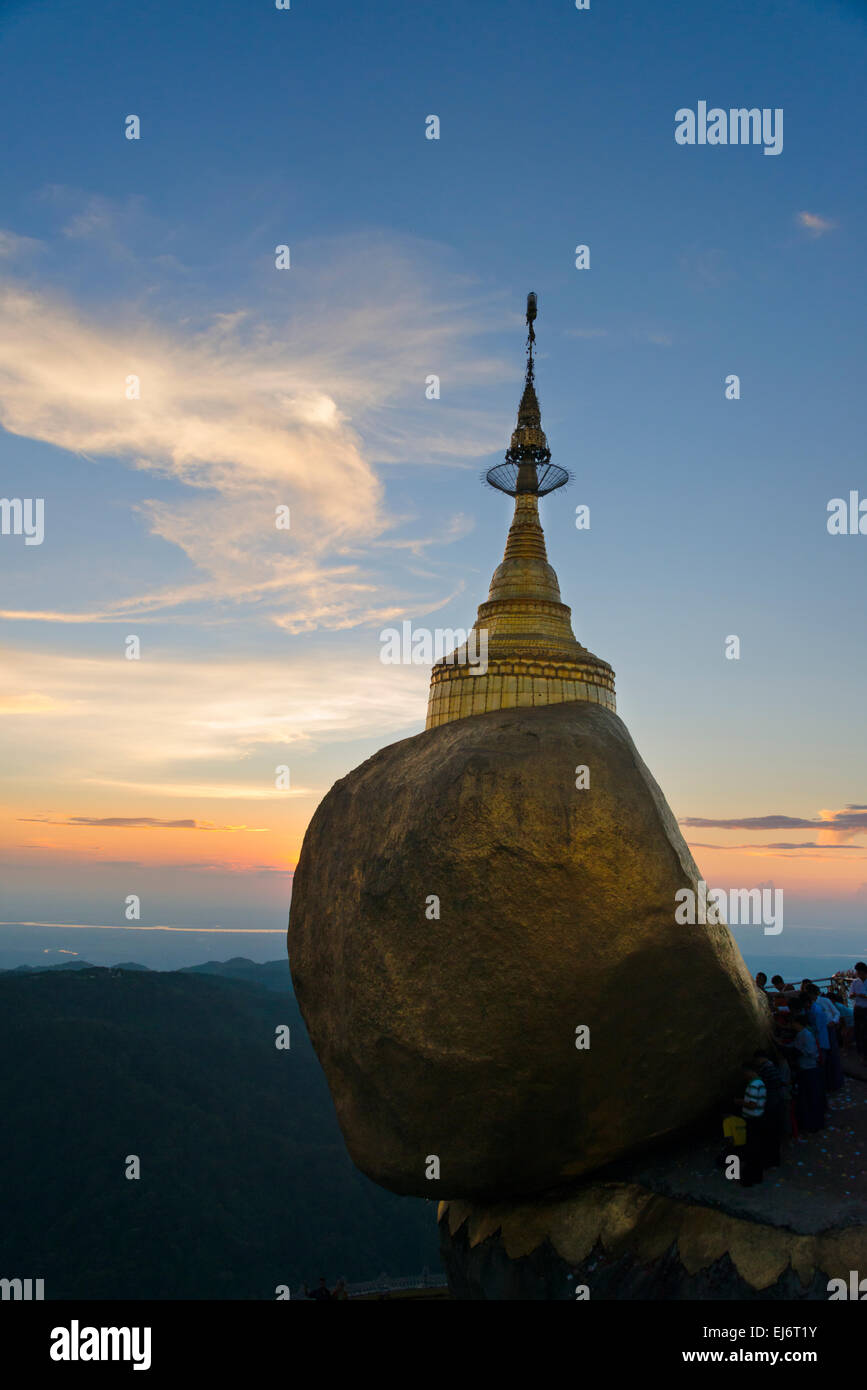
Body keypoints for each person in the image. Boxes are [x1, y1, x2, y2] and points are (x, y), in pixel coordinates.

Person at [788, 1013, 825, 1132]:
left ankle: (815, 1123)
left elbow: (811, 1052)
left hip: (810, 1069)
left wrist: (797, 1051)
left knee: (812, 1097)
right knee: (808, 1098)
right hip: (805, 1068)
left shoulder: (807, 1035)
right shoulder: (801, 1034)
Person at [736, 1064, 767, 1186]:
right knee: (756, 1150)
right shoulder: (760, 1083)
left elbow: (752, 1105)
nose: (744, 1076)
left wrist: (740, 1102)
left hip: (753, 1121)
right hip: (758, 1119)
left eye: (744, 1073)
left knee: (751, 1150)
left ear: (749, 1072)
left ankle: (748, 1179)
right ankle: (757, 1177)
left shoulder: (754, 1085)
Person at [753, 1049, 783, 1166]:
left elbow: (764, 1085)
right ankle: (773, 1159)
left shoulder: (766, 1068)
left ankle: (771, 1159)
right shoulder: (771, 1067)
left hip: (771, 1103)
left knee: (770, 1132)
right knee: (773, 1133)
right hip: (775, 1102)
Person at [849, 963, 867, 1059]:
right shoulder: (855, 982)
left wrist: (863, 996)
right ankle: (861, 1053)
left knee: (865, 1032)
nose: (857, 973)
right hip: (858, 1008)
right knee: (858, 1031)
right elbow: (850, 995)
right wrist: (853, 995)